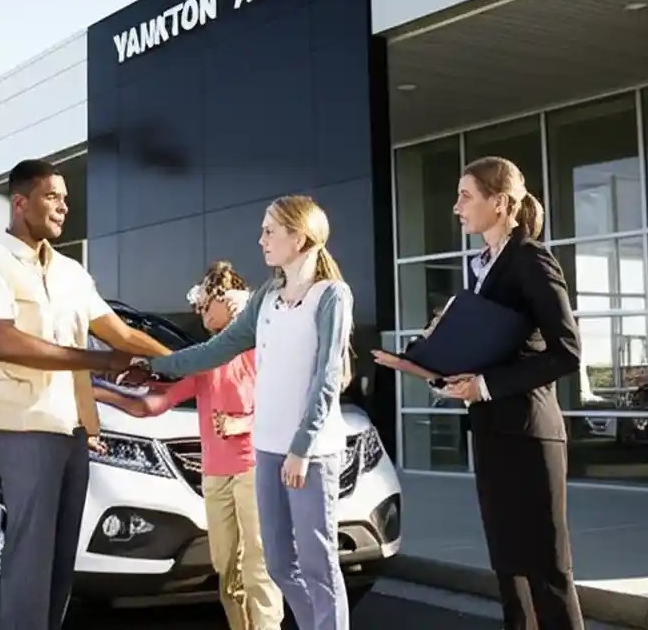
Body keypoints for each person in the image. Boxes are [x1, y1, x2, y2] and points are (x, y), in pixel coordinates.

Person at [0, 159, 171, 630]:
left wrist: (185, 364)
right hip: (22, 425)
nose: (64, 206)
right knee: (29, 558)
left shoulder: (70, 271)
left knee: (58, 563)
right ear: (20, 202)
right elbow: (2, 342)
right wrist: (100, 362)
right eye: (54, 196)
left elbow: (120, 333)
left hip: (73, 427)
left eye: (66, 198)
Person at [121, 195, 355, 630]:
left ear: (297, 237)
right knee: (282, 566)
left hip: (309, 454)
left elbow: (326, 378)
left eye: (269, 230)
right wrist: (154, 366)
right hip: (266, 451)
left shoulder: (332, 296)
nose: (261, 238)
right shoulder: (267, 296)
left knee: (318, 566)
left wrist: (301, 449)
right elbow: (214, 351)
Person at [373, 156, 585, 629]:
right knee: (509, 569)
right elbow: (483, 348)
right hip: (490, 431)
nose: (456, 207)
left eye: (466, 195)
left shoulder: (531, 259)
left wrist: (485, 385)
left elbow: (567, 352)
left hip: (531, 434)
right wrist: (428, 368)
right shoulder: (481, 268)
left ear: (501, 202)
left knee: (548, 570)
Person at [96, 261, 284, 630]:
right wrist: (100, 392)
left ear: (228, 300)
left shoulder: (260, 348)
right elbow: (152, 404)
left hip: (253, 470)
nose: (199, 310)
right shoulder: (204, 360)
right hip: (214, 476)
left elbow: (283, 408)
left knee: (257, 568)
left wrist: (241, 422)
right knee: (226, 570)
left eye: (205, 301)